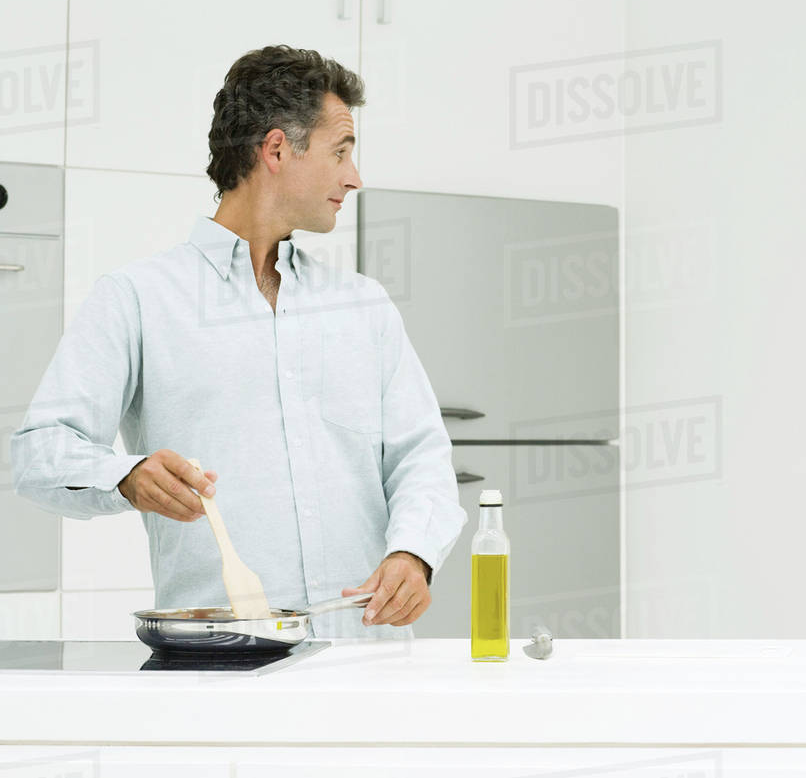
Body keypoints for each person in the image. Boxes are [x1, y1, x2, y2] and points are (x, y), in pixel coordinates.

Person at [10, 45, 466, 640]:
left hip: (366, 657)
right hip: (221, 662)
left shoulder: (363, 306)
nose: (353, 177)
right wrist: (126, 475)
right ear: (276, 149)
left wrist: (413, 551)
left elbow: (421, 456)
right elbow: (39, 453)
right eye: (340, 152)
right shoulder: (138, 298)